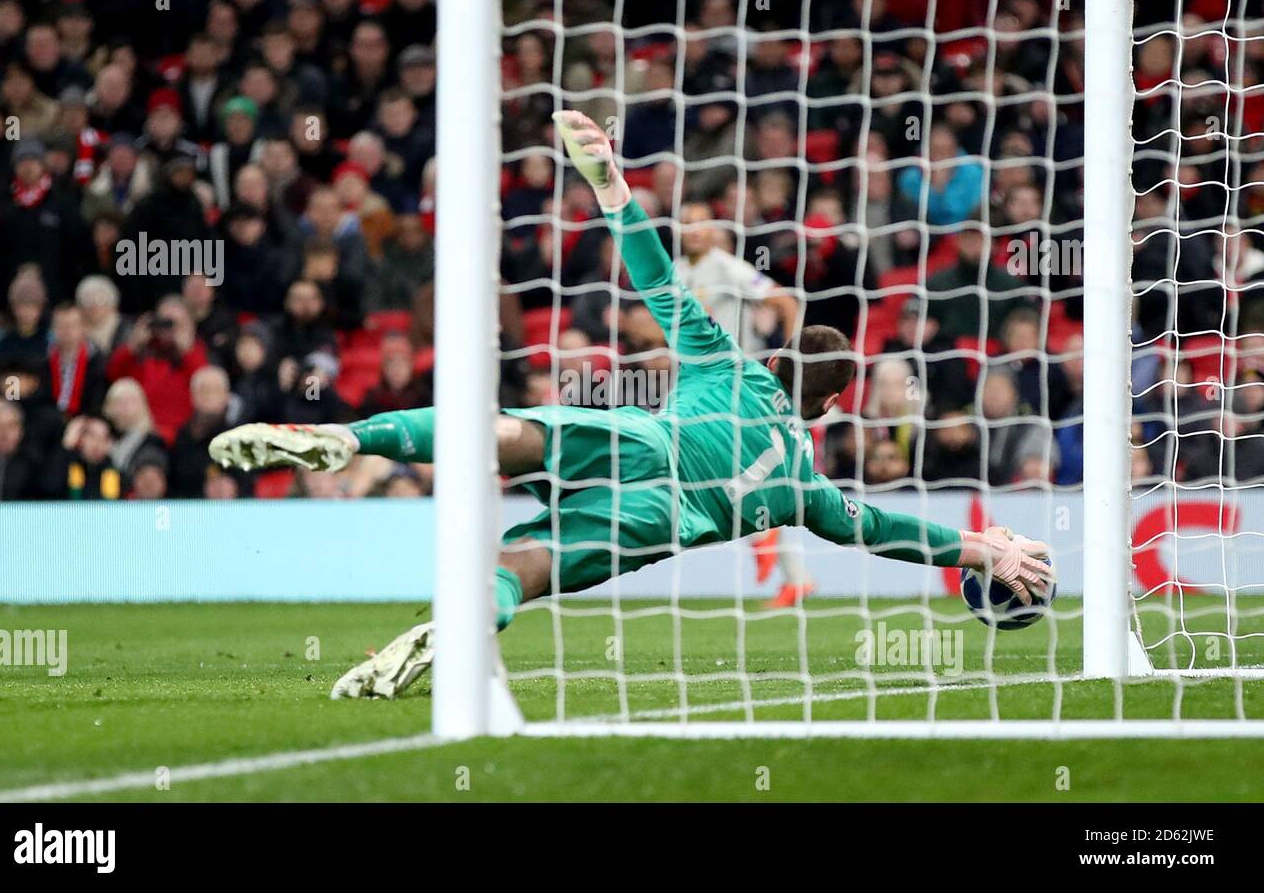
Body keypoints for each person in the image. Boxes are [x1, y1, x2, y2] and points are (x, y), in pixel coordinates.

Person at [208, 112, 1054, 700]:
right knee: (523, 566)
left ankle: (343, 435)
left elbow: (655, 274)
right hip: (661, 520)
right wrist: (978, 551)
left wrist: (608, 179)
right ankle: (463, 623)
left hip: (638, 439)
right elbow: (885, 531)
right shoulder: (805, 485)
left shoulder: (725, 359)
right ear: (831, 406)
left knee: (494, 435)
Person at [675, 199, 810, 608]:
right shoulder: (681, 272)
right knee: (726, 468)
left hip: (736, 380)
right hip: (698, 383)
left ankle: (763, 534)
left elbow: (786, 302)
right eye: (687, 224)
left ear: (713, 229)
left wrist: (791, 356)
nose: (694, 231)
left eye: (701, 223)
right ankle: (796, 577)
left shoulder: (727, 266)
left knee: (717, 463)